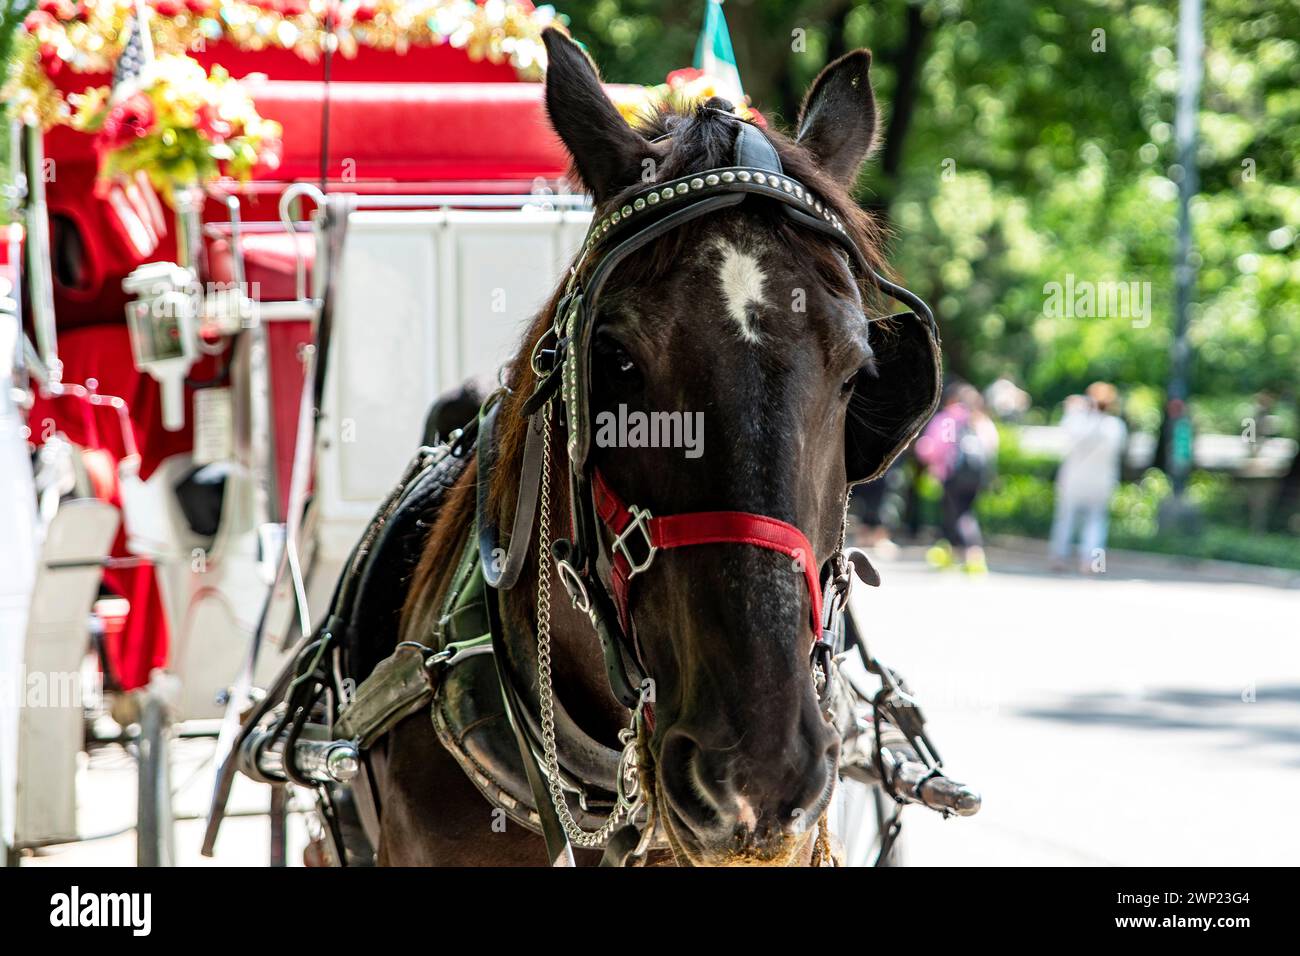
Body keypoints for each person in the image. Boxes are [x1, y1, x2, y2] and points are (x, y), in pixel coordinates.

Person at [914, 382, 999, 574]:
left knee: (957, 515)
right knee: (966, 512)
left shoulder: (949, 419)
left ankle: (972, 555)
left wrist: (923, 450)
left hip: (953, 475)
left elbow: (937, 448)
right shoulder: (980, 420)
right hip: (976, 476)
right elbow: (991, 447)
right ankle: (959, 556)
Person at [1049, 382, 1128, 572]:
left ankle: (1058, 557)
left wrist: (1073, 409)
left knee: (1066, 519)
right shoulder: (1115, 426)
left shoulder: (1077, 422)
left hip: (1073, 480)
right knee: (1098, 521)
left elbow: (1065, 436)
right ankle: (1094, 563)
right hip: (1102, 481)